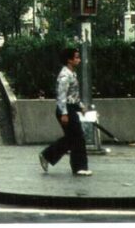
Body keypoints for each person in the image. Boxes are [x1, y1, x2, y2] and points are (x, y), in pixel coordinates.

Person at [39, 48, 92, 176]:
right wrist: (64, 113)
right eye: (76, 57)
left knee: (72, 138)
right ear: (69, 60)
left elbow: (73, 94)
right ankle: (79, 167)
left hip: (71, 108)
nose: (79, 60)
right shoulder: (64, 76)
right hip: (66, 110)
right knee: (77, 137)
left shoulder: (72, 74)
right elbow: (61, 95)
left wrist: (80, 106)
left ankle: (47, 155)